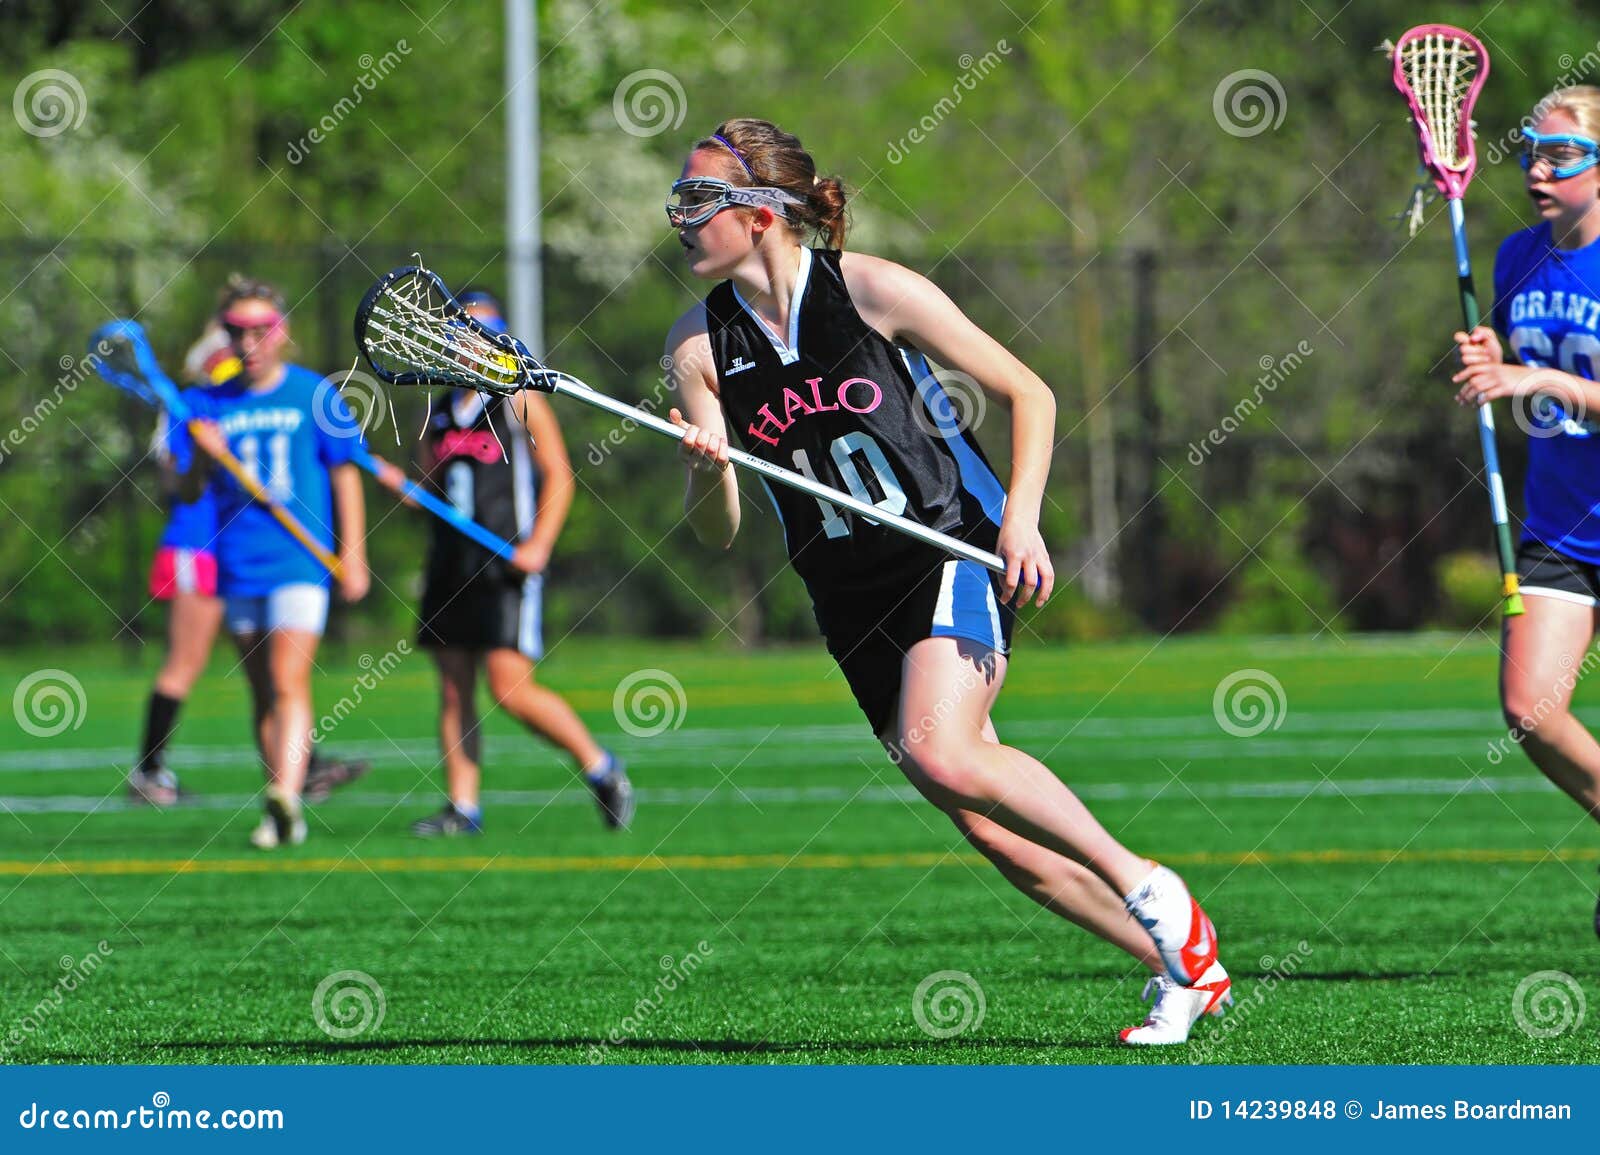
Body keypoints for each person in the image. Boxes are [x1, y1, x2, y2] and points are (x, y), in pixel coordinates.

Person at [662, 119, 1229, 1044]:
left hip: (942, 549)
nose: (679, 220)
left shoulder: (874, 290)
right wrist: (707, 465)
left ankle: (1147, 884)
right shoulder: (698, 346)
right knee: (989, 828)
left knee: (941, 751)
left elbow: (1029, 392)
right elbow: (717, 533)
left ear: (760, 213)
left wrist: (1020, 518)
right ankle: (1182, 961)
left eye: (697, 202)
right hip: (846, 597)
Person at [1452, 85, 1600, 936]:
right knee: (1528, 708)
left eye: (1560, 155)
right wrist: (1489, 356)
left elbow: (1542, 377)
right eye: (1531, 154)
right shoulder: (1515, 256)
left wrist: (1537, 379)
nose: (1538, 170)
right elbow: (1509, 354)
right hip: (1558, 524)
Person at [404, 289, 630, 836]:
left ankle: (601, 769)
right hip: (449, 561)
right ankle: (463, 807)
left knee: (509, 688)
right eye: (460, 334)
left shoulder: (516, 397)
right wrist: (412, 487)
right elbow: (428, 484)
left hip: (504, 562)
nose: (471, 345)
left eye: (484, 333)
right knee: (454, 686)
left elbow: (559, 474)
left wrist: (539, 547)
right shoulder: (438, 407)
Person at [131, 323, 368, 806]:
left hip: (231, 550)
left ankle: (302, 766)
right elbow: (178, 482)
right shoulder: (196, 412)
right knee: (189, 664)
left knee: (275, 676)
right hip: (197, 548)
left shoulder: (250, 404)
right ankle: (150, 771)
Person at [179, 275, 370, 847]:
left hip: (300, 559)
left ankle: (287, 794)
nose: (249, 342)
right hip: (240, 561)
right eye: (237, 331)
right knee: (262, 690)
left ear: (281, 331)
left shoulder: (315, 394)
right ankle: (279, 809)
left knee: (288, 678)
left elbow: (345, 476)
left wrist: (353, 554)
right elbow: (186, 493)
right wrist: (204, 458)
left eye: (261, 330)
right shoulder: (209, 403)